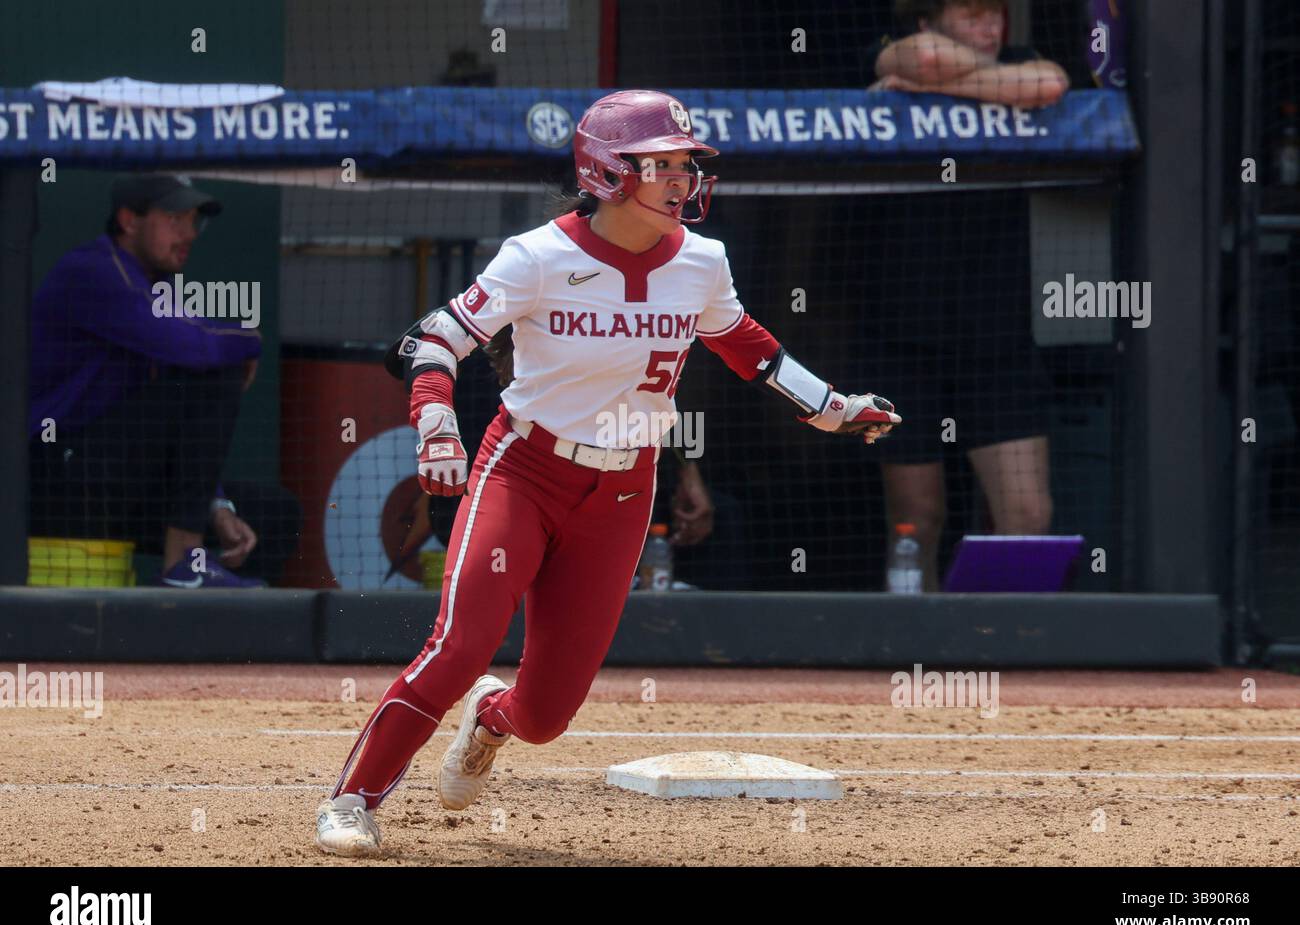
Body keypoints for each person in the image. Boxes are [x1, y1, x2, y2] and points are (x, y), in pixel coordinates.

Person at [314, 89, 902, 855]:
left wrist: (832, 407)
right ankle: (353, 801)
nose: (681, 181)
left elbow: (748, 346)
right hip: (523, 468)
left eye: (687, 165)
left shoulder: (702, 262)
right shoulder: (538, 255)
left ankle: (492, 718)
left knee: (548, 717)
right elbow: (432, 341)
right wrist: (435, 425)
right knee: (461, 646)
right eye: (661, 164)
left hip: (624, 488)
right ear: (604, 171)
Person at [861, 0, 1068, 589]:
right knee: (916, 520)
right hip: (902, 332)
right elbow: (921, 58)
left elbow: (1050, 85)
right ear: (928, 20)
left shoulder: (1025, 61)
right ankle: (914, 661)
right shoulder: (886, 46)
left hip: (997, 334)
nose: (992, 29)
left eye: (997, 15)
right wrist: (987, 87)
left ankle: (1010, 661)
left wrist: (951, 87)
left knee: (1029, 517)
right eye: (973, 15)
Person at [28, 174, 301, 587]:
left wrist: (217, 504)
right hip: (60, 477)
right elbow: (195, 348)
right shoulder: (92, 271)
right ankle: (184, 561)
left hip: (120, 485)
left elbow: (185, 422)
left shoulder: (159, 287)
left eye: (194, 221)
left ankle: (223, 645)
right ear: (129, 220)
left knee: (272, 513)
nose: (189, 232)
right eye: (175, 218)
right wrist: (250, 340)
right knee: (213, 369)